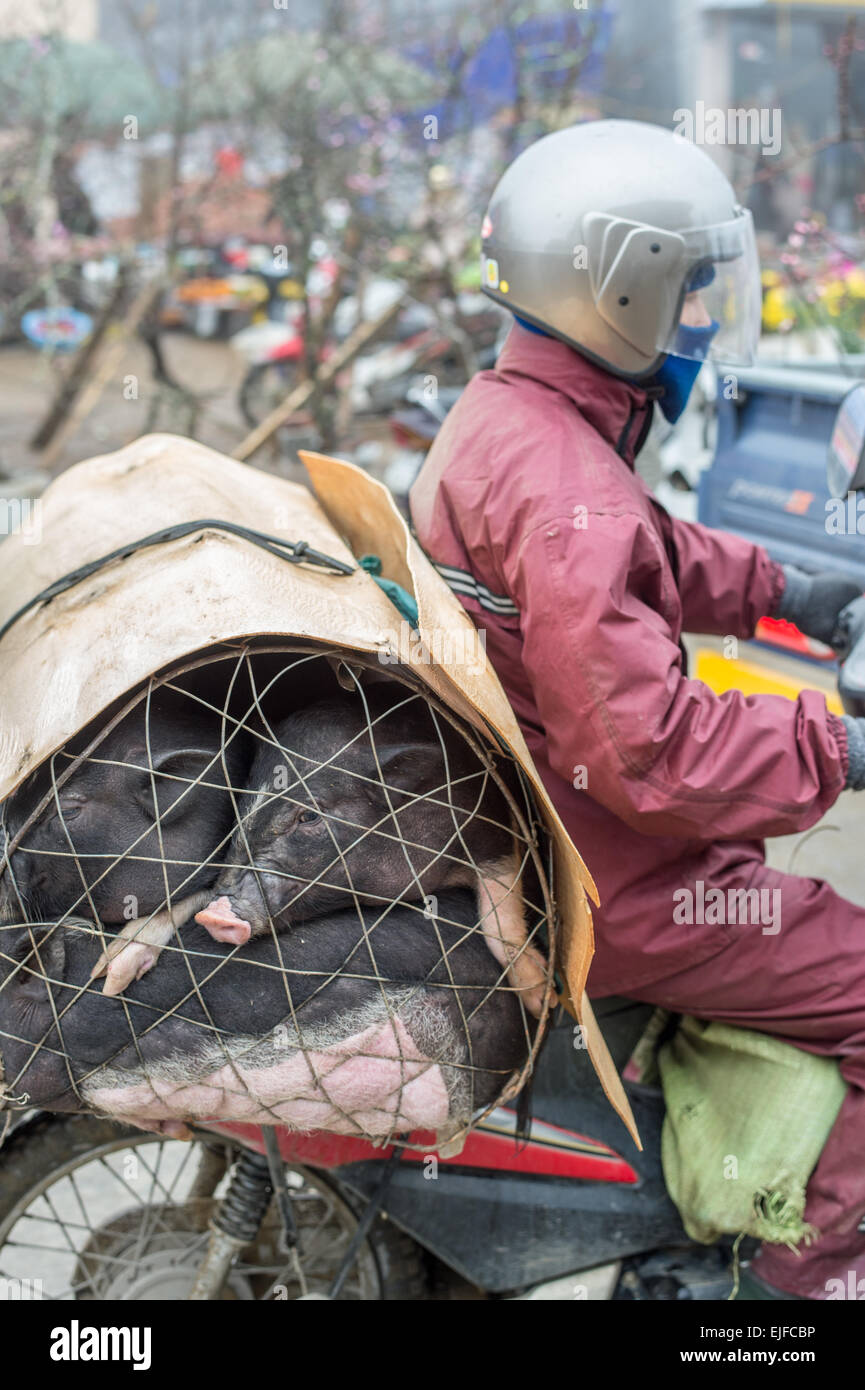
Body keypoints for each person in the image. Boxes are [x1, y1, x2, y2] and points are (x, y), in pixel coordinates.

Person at [409, 119, 865, 1302]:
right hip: (623, 881)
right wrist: (840, 746)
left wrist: (790, 586)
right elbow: (647, 751)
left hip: (543, 835)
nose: (704, 319)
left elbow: (641, 551)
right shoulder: (571, 489)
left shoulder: (517, 417)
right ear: (617, 285)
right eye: (693, 290)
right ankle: (798, 1291)